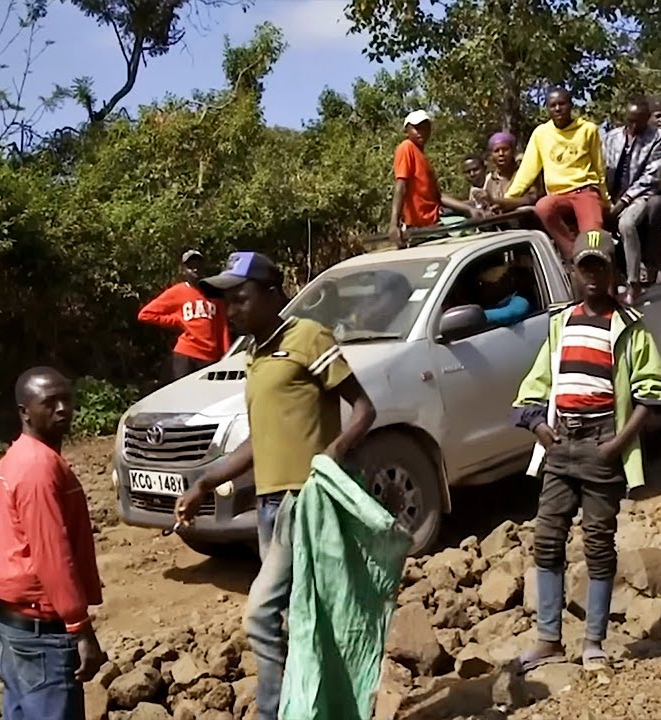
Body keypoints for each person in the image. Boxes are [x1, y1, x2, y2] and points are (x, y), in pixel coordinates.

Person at [174, 251, 377, 720]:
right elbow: (258, 440)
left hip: (304, 501)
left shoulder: (308, 336)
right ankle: (315, 705)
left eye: (240, 299)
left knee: (261, 614)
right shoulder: (253, 354)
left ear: (271, 293)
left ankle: (276, 712)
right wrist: (205, 482)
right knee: (296, 615)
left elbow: (364, 409)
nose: (232, 310)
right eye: (227, 302)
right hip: (270, 505)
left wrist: (334, 451)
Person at [511, 230, 661, 673]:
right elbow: (535, 385)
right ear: (573, 272)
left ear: (613, 271)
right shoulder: (561, 323)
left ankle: (594, 643)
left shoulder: (630, 326)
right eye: (586, 267)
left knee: (598, 543)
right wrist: (543, 430)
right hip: (561, 446)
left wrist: (616, 446)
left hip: (603, 446)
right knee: (547, 540)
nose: (593, 276)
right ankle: (548, 639)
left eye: (601, 266)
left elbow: (654, 392)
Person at [0, 367, 105, 719]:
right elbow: (52, 555)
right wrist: (81, 629)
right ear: (25, 411)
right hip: (41, 636)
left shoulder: (22, 457)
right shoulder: (37, 469)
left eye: (66, 399)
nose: (62, 409)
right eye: (49, 402)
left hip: (14, 628)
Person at [496, 88, 608, 262]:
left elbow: (599, 167)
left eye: (561, 104)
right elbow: (528, 170)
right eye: (552, 105)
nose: (557, 109)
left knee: (593, 236)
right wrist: (509, 198)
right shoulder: (541, 133)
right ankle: (573, 255)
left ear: (570, 105)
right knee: (543, 207)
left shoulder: (588, 130)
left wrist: (606, 198)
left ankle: (598, 267)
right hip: (558, 195)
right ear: (547, 109)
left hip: (584, 190)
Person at [602, 97, 661, 303]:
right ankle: (609, 283)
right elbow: (602, 166)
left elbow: (651, 176)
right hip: (610, 195)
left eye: (638, 121)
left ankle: (633, 283)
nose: (633, 126)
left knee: (627, 224)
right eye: (629, 120)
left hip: (639, 195)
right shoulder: (612, 137)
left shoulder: (656, 137)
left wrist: (623, 201)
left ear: (646, 119)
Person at [388, 110, 480, 247]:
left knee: (476, 217)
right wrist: (394, 223)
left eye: (425, 128)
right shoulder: (406, 148)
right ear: (407, 131)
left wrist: (468, 209)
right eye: (416, 128)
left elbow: (438, 197)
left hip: (436, 221)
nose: (421, 132)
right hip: (421, 226)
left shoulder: (423, 158)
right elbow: (401, 185)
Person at [138, 250, 232, 381]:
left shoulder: (214, 292)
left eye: (198, 265)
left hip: (211, 357)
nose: (195, 269)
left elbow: (223, 326)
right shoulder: (177, 291)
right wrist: (176, 321)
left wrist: (226, 355)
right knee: (184, 395)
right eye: (190, 266)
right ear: (183, 270)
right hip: (187, 354)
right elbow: (145, 314)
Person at [483, 132, 542, 211]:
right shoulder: (490, 180)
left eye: (505, 149)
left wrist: (499, 202)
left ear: (513, 151)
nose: (501, 154)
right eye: (497, 151)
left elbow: (531, 199)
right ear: (491, 155)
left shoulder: (526, 173)